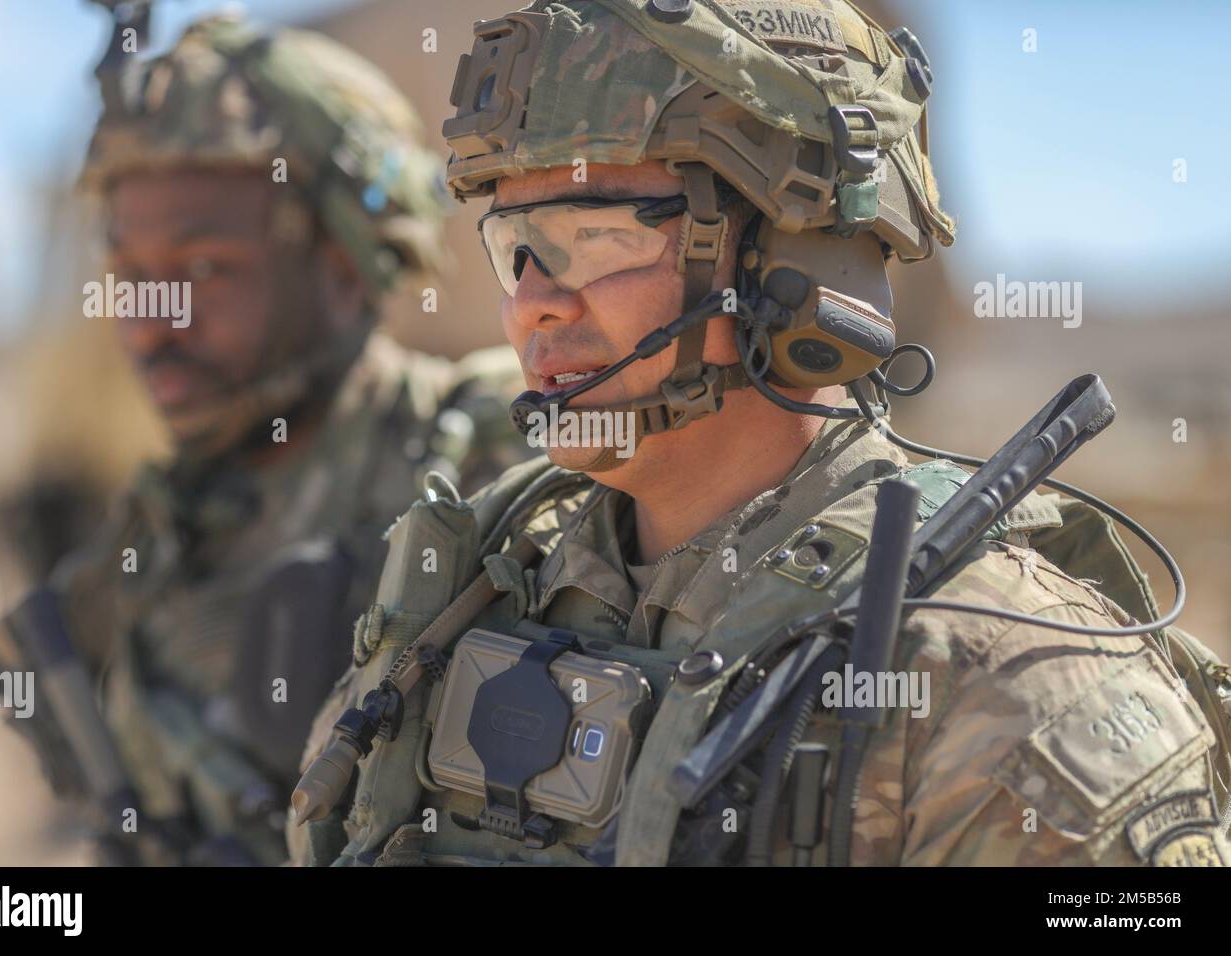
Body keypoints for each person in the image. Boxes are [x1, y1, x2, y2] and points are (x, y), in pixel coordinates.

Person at [290, 0, 1231, 867]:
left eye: (600, 238)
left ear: (787, 261)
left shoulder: (1007, 681)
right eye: (515, 249)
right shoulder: (474, 587)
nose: (531, 306)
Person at [0, 13, 527, 866]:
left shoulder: (502, 466)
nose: (152, 323)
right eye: (128, 276)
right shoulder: (157, 535)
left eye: (203, 270)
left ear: (346, 262)